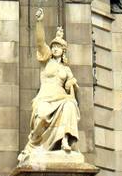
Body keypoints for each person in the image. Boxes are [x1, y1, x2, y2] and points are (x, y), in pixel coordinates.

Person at [18, 11, 80, 163]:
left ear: (63, 50)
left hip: (61, 97)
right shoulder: (46, 60)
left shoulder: (66, 69)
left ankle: (64, 140)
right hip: (45, 97)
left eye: (58, 46)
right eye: (54, 46)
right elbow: (40, 43)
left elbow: (72, 90)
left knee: (70, 105)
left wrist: (73, 85)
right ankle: (34, 143)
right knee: (43, 115)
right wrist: (40, 22)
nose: (55, 48)